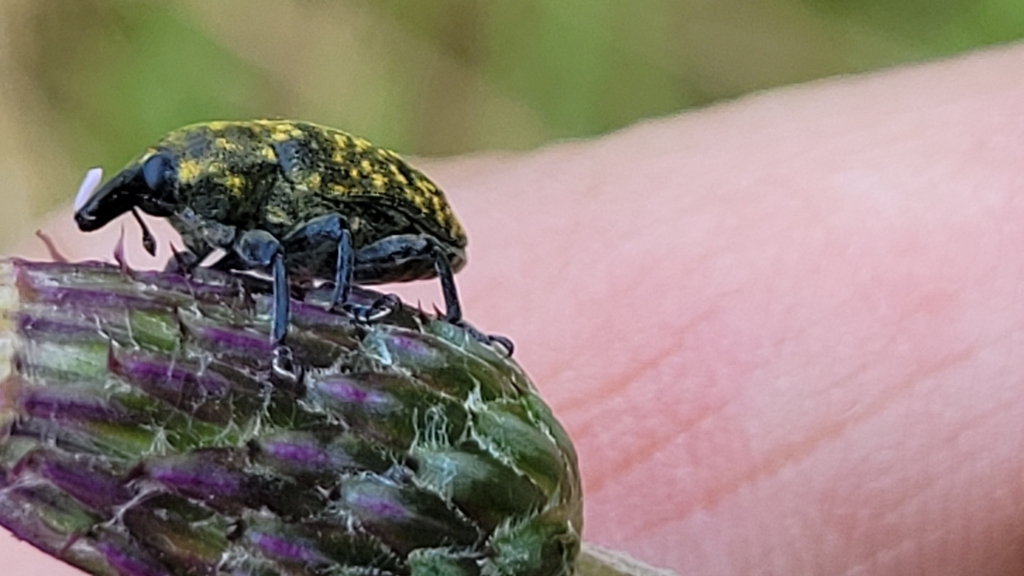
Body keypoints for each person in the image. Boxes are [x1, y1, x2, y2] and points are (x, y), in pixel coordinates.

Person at [7, 43, 1024, 575]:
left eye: (151, 194)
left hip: (402, 232)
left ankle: (394, 332)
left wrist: (281, 351)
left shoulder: (255, 181)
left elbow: (303, 249)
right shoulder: (209, 183)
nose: (155, 219)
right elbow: (229, 240)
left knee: (309, 256)